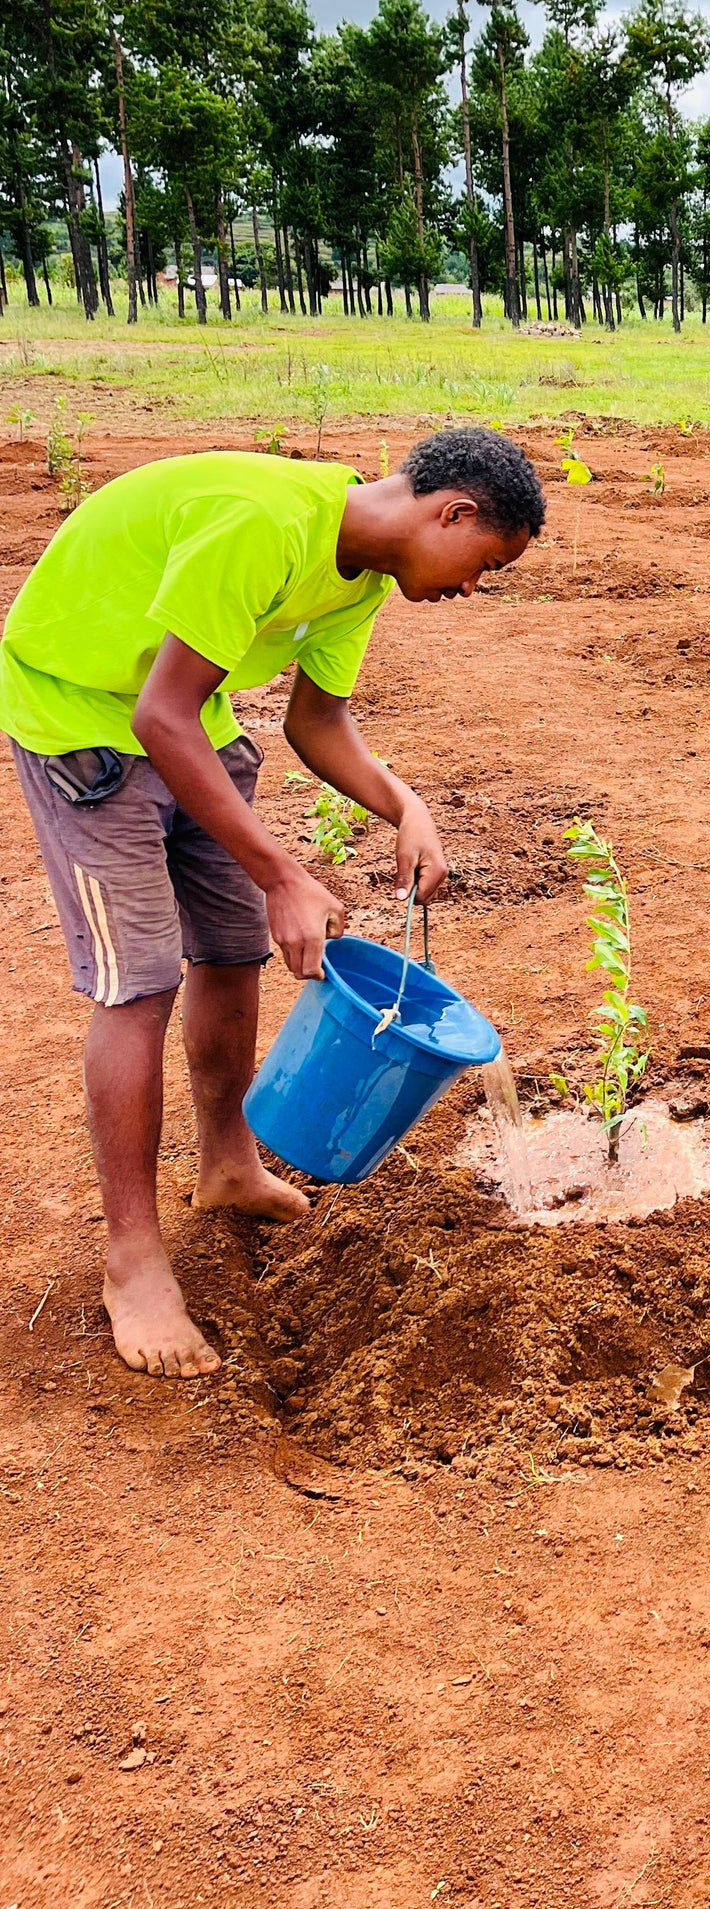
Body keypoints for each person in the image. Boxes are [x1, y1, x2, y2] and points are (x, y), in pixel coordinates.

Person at [0, 428, 544, 1379]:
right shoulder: (264, 523)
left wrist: (403, 803)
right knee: (138, 982)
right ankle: (132, 1258)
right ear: (450, 512)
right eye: (484, 563)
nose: (472, 588)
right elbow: (153, 717)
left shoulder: (362, 574)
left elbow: (316, 721)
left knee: (229, 949)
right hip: (80, 718)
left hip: (188, 725)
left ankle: (228, 1164)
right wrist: (282, 871)